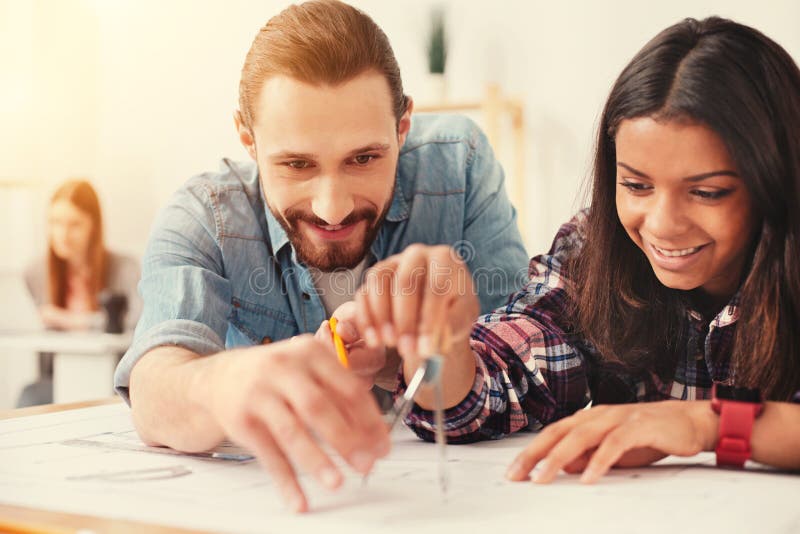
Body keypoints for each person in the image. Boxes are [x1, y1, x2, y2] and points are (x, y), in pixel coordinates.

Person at [114, 0, 528, 512]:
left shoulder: (458, 167)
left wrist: (405, 358)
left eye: (364, 158)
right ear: (249, 138)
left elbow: (526, 366)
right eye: (296, 164)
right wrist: (218, 383)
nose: (332, 209)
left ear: (403, 128)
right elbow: (154, 387)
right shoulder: (206, 217)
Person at [353, 17, 800, 479]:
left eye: (706, 193)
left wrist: (706, 424)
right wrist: (441, 346)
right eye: (636, 185)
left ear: (776, 178)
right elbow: (495, 383)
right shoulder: (592, 251)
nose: (664, 225)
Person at [19, 179, 141, 406]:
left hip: (113, 380)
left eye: (74, 224)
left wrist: (72, 321)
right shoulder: (35, 273)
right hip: (57, 379)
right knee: (29, 397)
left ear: (93, 226)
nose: (62, 234)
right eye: (55, 222)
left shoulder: (125, 268)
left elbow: (136, 323)